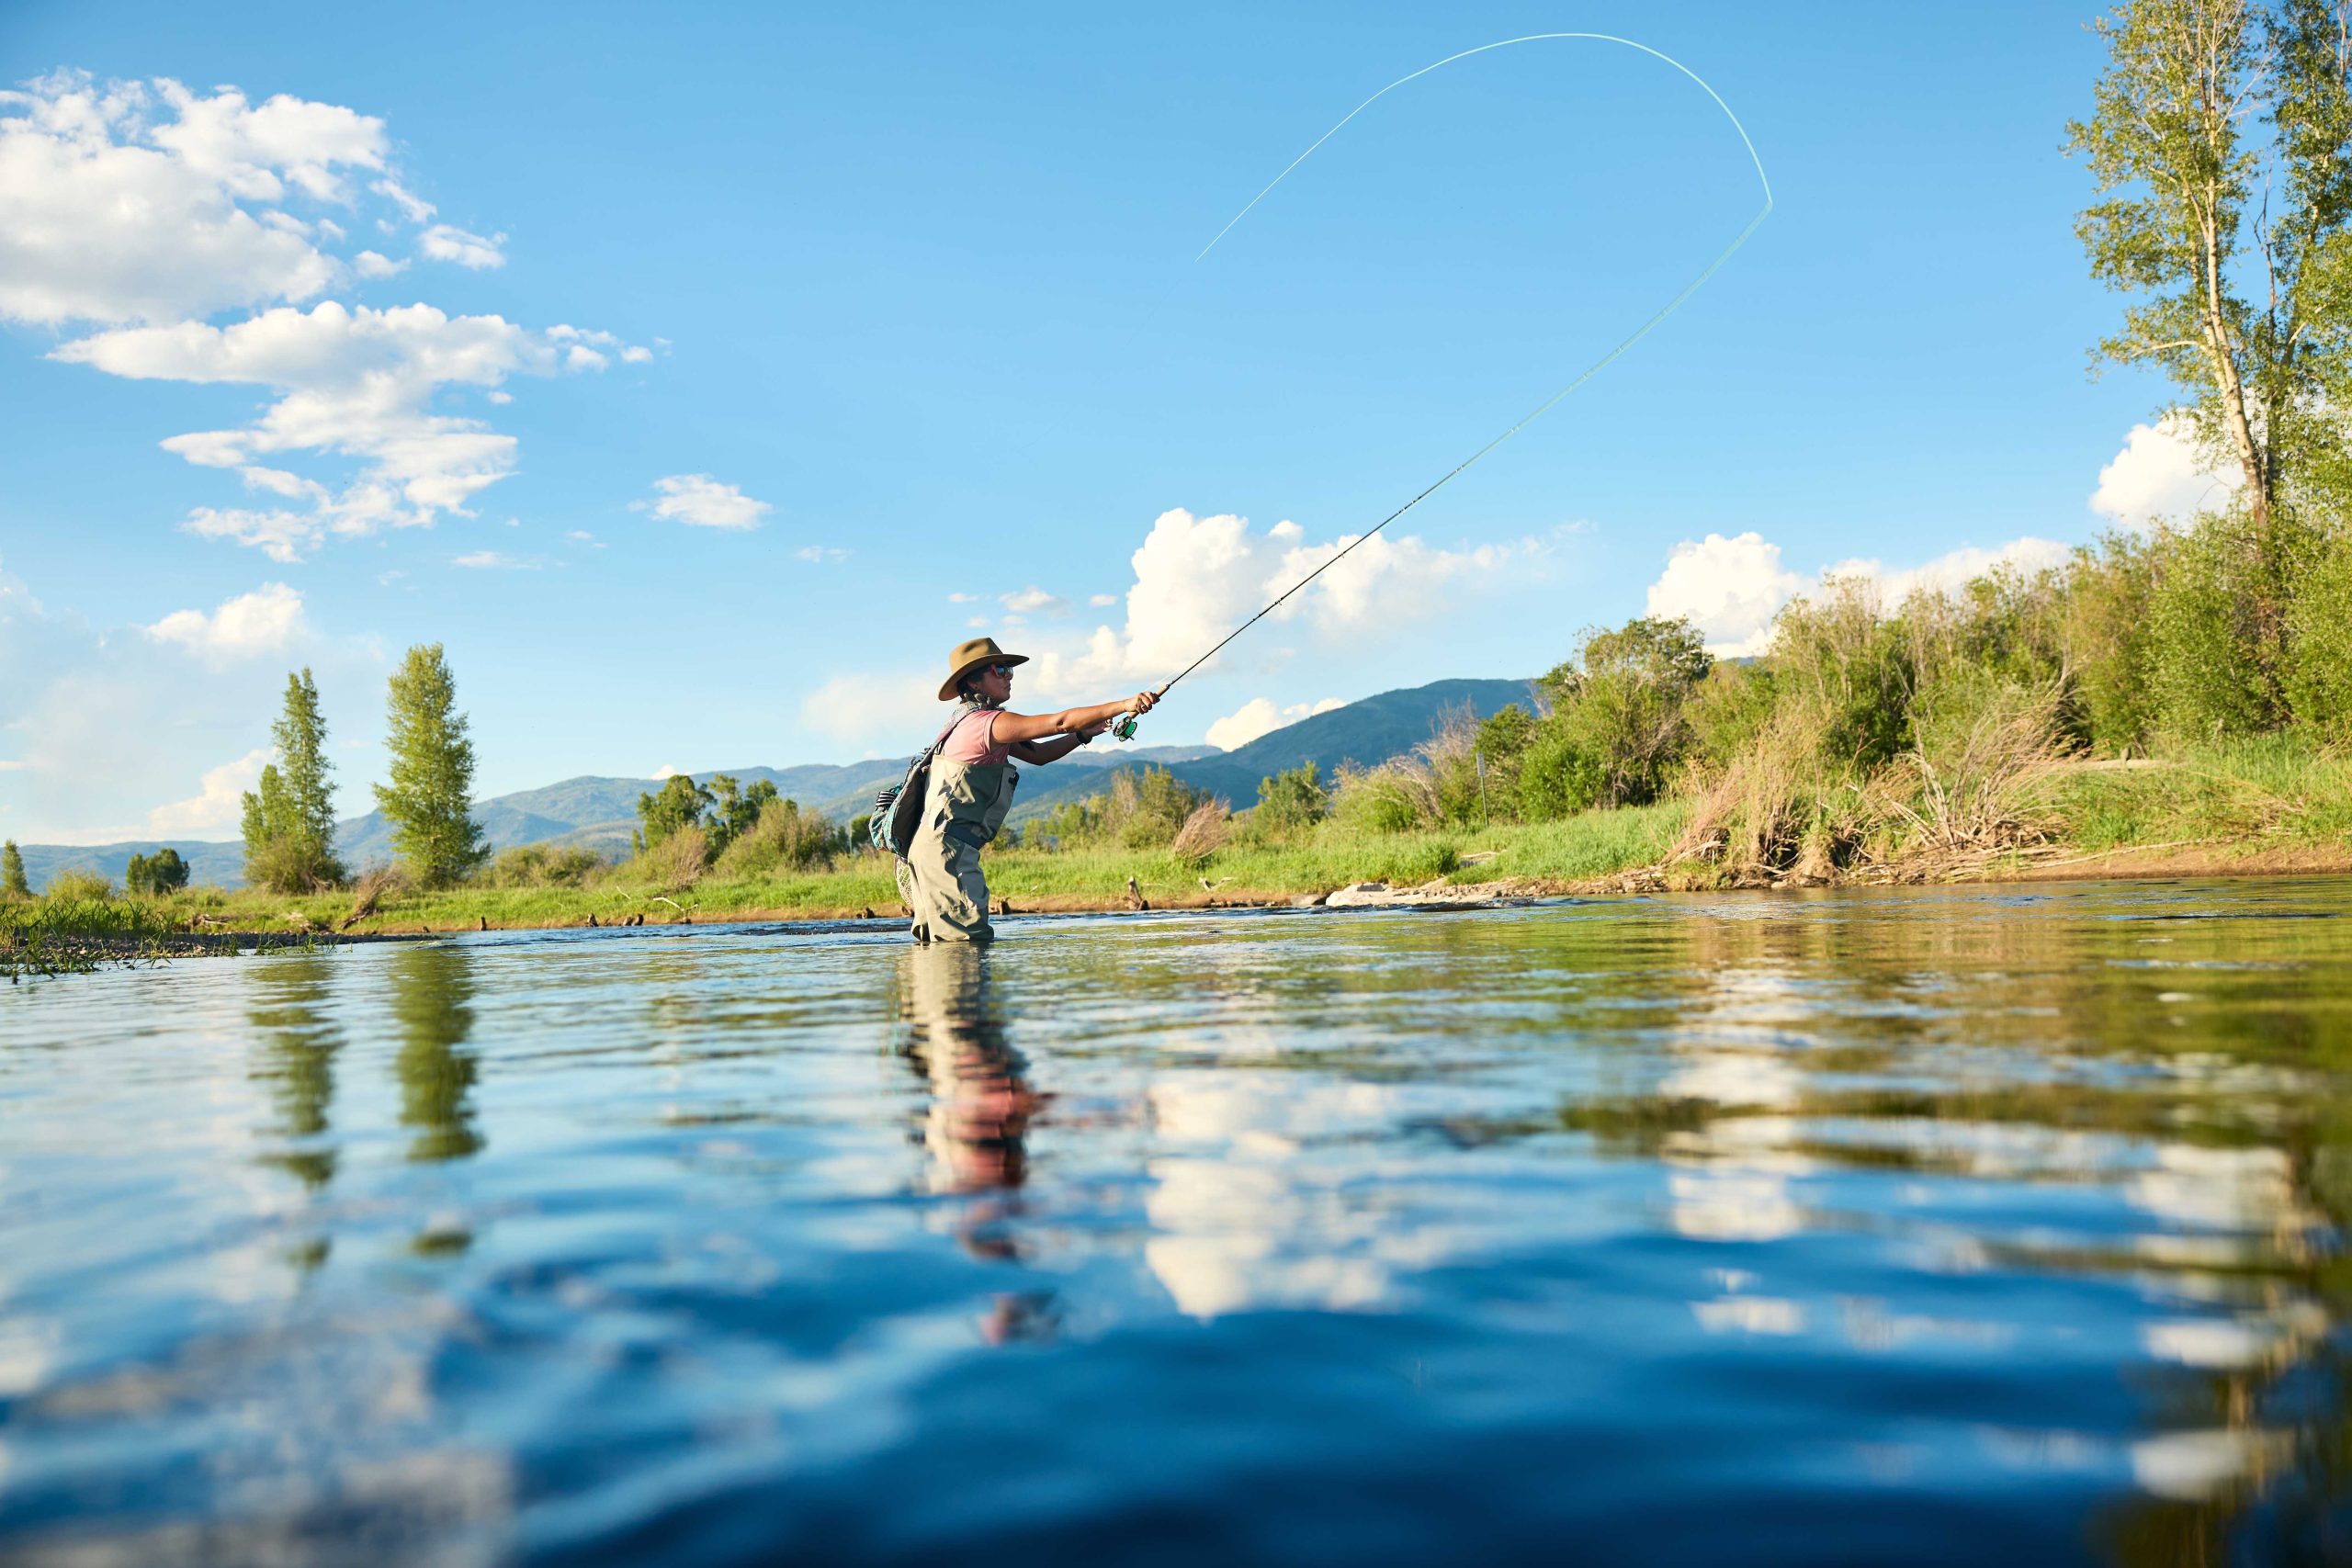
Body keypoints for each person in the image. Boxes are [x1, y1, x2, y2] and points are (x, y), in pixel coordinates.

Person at [895, 636, 1157, 943]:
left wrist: (1083, 735)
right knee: (965, 947)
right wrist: (1125, 704)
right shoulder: (988, 724)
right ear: (974, 683)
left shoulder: (968, 722)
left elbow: (1039, 755)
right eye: (1000, 670)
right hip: (946, 853)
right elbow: (1060, 722)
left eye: (1009, 670)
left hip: (932, 850)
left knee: (943, 951)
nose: (1009, 677)